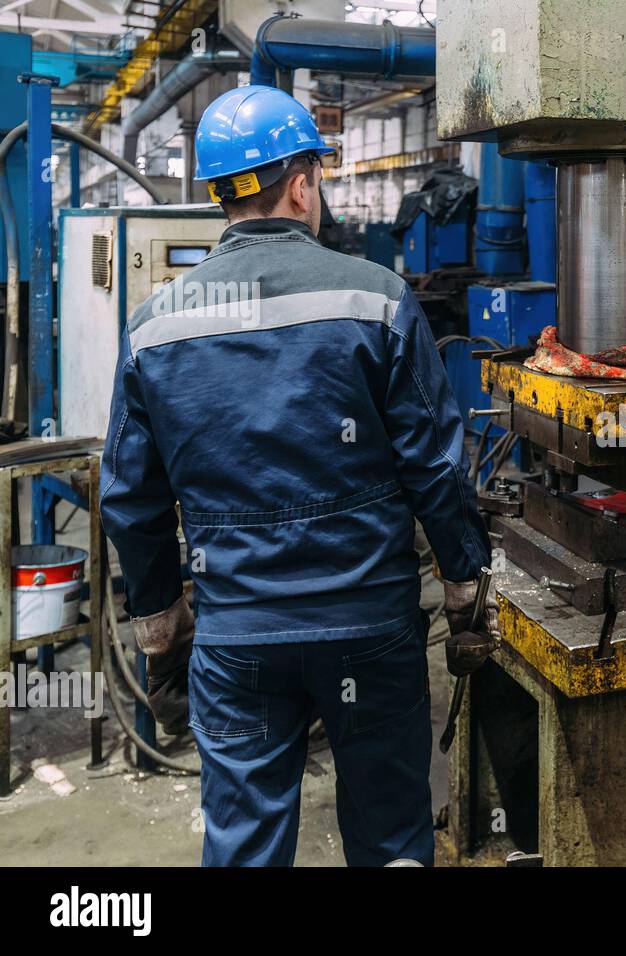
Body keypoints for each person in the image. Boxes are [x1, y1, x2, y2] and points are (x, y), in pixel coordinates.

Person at [100, 85, 493, 866]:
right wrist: (463, 585)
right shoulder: (376, 299)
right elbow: (437, 467)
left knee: (244, 847)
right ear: (302, 182)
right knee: (391, 840)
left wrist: (158, 622)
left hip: (238, 635)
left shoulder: (154, 327)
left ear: (221, 195)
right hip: (370, 631)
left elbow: (130, 497)